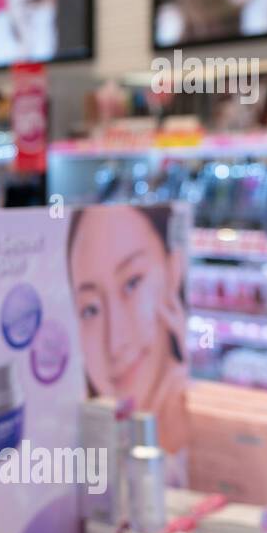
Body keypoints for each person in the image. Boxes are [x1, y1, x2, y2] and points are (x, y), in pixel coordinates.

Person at [68, 205, 189, 481]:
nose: (116, 340)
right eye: (90, 310)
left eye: (132, 283)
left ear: (173, 271)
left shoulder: (208, 435)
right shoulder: (72, 465)